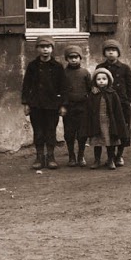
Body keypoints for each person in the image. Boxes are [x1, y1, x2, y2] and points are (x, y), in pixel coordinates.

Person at [20, 38, 65, 170]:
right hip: (36, 105)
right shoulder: (32, 66)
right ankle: (39, 157)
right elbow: (26, 85)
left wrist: (62, 105)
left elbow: (63, 87)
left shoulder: (57, 66)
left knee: (51, 131)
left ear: (52, 49)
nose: (45, 49)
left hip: (52, 105)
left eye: (48, 47)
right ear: (37, 49)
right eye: (42, 47)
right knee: (38, 131)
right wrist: (26, 103)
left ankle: (51, 157)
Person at [96, 39, 131, 166]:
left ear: (118, 53)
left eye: (113, 50)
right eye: (108, 50)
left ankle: (119, 155)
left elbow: (130, 86)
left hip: (122, 104)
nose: (111, 53)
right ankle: (110, 157)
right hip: (106, 105)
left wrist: (128, 100)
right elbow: (95, 83)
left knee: (123, 130)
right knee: (110, 130)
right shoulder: (100, 68)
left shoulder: (125, 68)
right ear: (104, 53)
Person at [85, 67, 128, 170]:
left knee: (110, 142)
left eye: (104, 79)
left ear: (109, 80)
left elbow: (118, 111)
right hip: (97, 122)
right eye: (98, 79)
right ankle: (97, 160)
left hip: (109, 123)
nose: (101, 81)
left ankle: (110, 160)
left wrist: (119, 124)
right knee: (97, 142)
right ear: (95, 81)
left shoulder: (112, 94)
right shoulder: (93, 94)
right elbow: (89, 109)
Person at [59, 45, 91, 167]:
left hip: (83, 107)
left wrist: (89, 105)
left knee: (82, 133)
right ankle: (71, 156)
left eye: (76, 57)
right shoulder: (63, 73)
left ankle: (81, 155)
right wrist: (62, 106)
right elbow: (61, 91)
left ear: (80, 58)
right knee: (69, 133)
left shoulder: (85, 73)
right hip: (69, 108)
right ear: (67, 59)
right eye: (70, 57)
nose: (73, 60)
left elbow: (90, 89)